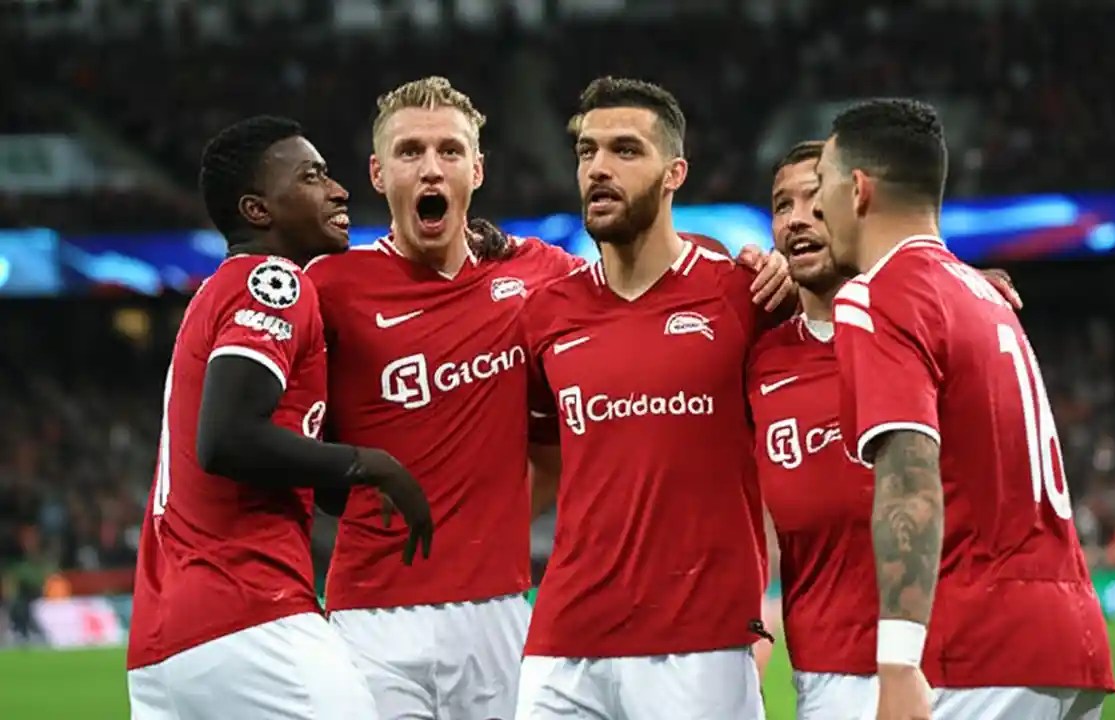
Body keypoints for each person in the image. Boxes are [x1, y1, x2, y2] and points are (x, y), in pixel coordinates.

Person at [308, 77, 793, 720]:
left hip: (505, 611)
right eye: (409, 152)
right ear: (376, 171)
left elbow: (652, 299)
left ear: (477, 170)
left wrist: (769, 268)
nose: (431, 167)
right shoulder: (329, 288)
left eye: (450, 151)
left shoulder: (543, 281)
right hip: (371, 608)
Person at [813, 98, 1115, 720]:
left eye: (822, 184)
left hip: (979, 649)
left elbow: (910, 478)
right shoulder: (984, 293)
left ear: (860, 190)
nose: (816, 206)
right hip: (1071, 639)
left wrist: (897, 663)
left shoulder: (876, 297)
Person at [126, 116, 434, 720]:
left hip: (164, 644)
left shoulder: (217, 292)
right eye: (313, 176)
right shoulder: (273, 283)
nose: (339, 190)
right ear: (258, 210)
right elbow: (227, 439)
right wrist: (371, 465)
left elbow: (305, 484)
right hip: (245, 614)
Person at [515, 76, 793, 720]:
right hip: (563, 641)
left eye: (625, 150)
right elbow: (539, 456)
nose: (599, 169)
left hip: (698, 644)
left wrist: (974, 284)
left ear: (675, 173)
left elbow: (849, 310)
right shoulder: (546, 314)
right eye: (587, 152)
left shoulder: (742, 295)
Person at [749, 141, 1021, 718]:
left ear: (855, 208)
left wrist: (959, 286)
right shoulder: (757, 356)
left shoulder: (918, 325)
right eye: (781, 205)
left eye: (816, 201)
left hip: (944, 665)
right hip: (823, 677)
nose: (797, 218)